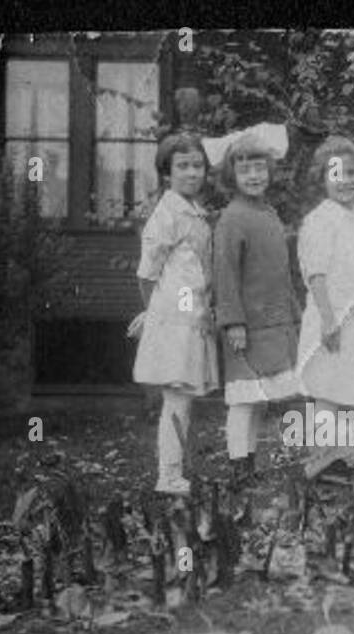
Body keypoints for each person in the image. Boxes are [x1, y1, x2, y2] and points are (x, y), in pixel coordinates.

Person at [210, 127, 301, 487]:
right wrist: (233, 322)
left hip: (276, 325)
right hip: (247, 327)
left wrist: (295, 314)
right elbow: (225, 274)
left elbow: (280, 272)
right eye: (245, 170)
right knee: (244, 399)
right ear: (232, 175)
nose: (254, 176)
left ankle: (253, 461)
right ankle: (239, 466)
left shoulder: (269, 213)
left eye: (259, 168)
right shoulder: (232, 218)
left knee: (265, 398)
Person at [132, 132, 217, 495]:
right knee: (177, 398)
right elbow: (148, 273)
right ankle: (168, 475)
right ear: (167, 173)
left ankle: (178, 467)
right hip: (175, 321)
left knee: (183, 399)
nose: (192, 173)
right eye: (183, 166)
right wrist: (152, 313)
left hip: (193, 318)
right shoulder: (166, 213)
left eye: (197, 166)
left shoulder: (194, 211)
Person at [295, 135, 354, 482]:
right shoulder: (320, 220)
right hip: (330, 316)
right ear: (322, 179)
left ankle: (350, 459)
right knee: (328, 390)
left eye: (351, 173)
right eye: (336, 174)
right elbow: (316, 274)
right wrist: (328, 320)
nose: (346, 180)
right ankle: (322, 464)